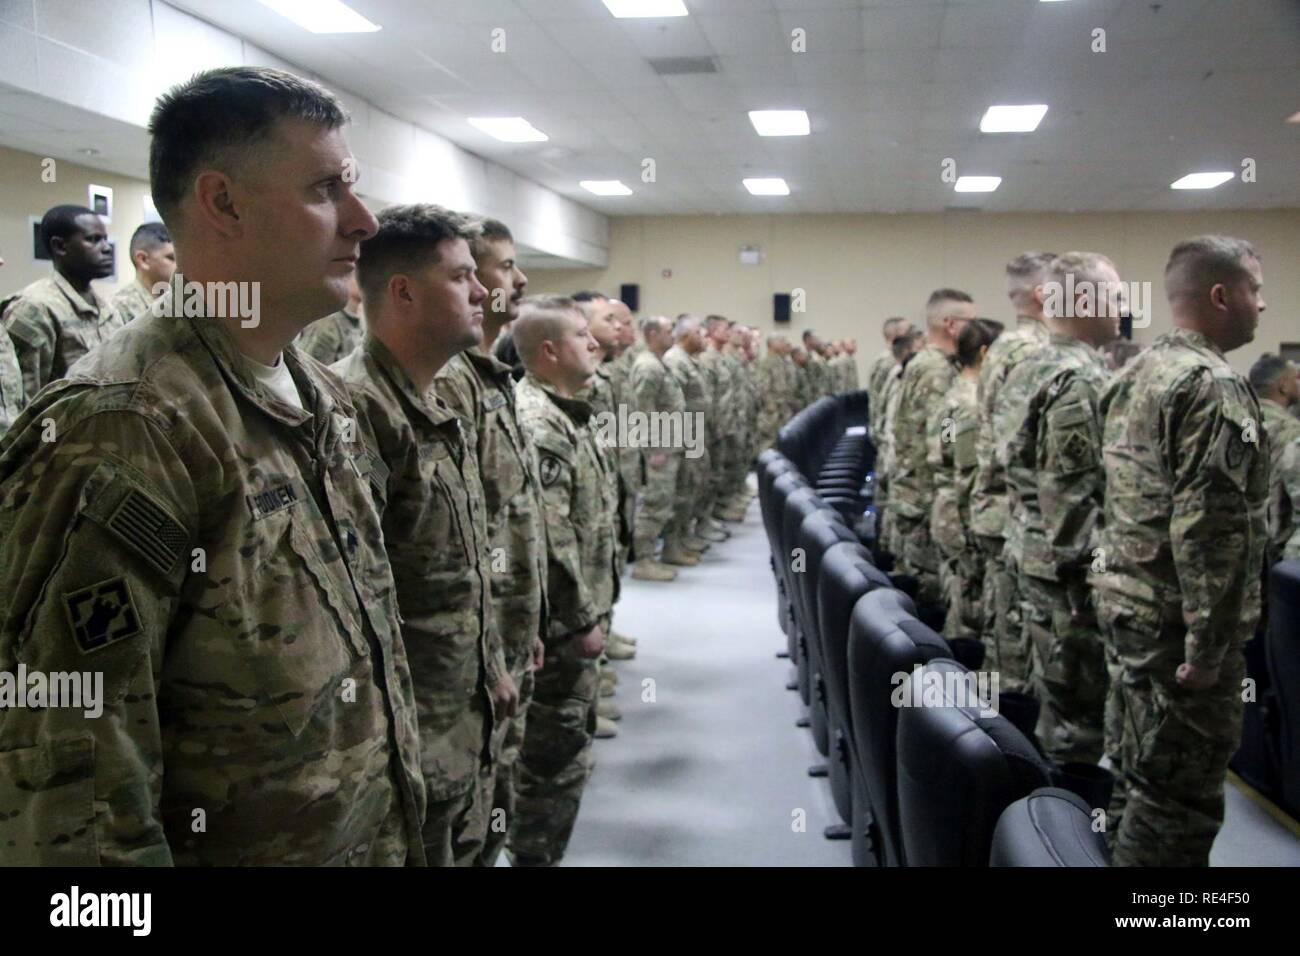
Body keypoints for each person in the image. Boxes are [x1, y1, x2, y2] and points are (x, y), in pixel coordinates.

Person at [0, 66, 426, 865]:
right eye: (327, 190)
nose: (365, 221)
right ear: (223, 203)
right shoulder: (126, 425)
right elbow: (71, 786)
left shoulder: (318, 394)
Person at [335, 203, 514, 866]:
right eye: (462, 277)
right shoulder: (355, 412)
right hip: (404, 742)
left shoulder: (447, 396)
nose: (482, 292)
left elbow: (461, 558)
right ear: (403, 291)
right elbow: (357, 613)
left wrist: (490, 665)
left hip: (461, 713)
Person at [1094, 236, 1268, 866]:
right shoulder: (1214, 386)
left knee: (1138, 778)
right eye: (1255, 289)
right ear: (1221, 296)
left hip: (1129, 607)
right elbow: (1211, 532)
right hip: (1176, 630)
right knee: (1179, 805)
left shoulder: (1137, 370)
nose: (1263, 305)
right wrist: (1207, 649)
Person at [431, 216, 548, 866]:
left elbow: (509, 521)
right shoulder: (444, 387)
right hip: (459, 666)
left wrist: (523, 621)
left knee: (493, 803)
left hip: (500, 641)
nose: (520, 278)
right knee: (461, 821)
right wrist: (488, 653)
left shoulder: (491, 383)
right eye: (505, 265)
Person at [508, 295, 619, 867]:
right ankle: (534, 857)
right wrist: (579, 619)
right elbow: (551, 538)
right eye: (582, 335)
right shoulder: (541, 423)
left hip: (574, 618)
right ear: (549, 351)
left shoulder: (567, 411)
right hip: (557, 629)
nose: (595, 342)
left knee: (562, 751)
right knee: (549, 767)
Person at [1004, 253, 1121, 766]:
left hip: (1031, 553)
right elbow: (1069, 497)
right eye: (1116, 297)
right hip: (1064, 576)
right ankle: (1068, 831)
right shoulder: (1077, 377)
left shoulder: (1031, 364)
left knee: (1052, 702)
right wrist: (1084, 585)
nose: (1122, 308)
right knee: (1078, 724)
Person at [969, 252, 1056, 690]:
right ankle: (1008, 743)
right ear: (1045, 294)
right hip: (1014, 513)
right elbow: (1022, 450)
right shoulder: (1033, 350)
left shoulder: (1007, 345)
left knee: (1005, 631)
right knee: (1017, 650)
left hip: (997, 505)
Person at [890, 289, 974, 609]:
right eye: (970, 320)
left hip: (917, 489)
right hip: (924, 493)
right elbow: (942, 437)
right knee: (928, 599)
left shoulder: (927, 361)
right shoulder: (937, 369)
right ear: (950, 324)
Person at [929, 318, 1002, 642]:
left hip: (947, 507)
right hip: (962, 516)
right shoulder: (972, 405)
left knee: (959, 601)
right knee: (969, 618)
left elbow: (942, 453)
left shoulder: (954, 394)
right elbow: (969, 473)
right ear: (985, 354)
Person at [4, 203, 126, 395]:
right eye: (93, 240)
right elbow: (23, 400)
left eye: (105, 239)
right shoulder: (35, 307)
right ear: (60, 246)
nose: (106, 248)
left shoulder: (108, 309)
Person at [629, 315, 684, 582]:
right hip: (658, 450)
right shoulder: (648, 367)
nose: (673, 334)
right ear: (652, 334)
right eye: (668, 329)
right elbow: (641, 410)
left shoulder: (658, 363)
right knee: (653, 505)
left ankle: (656, 554)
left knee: (664, 503)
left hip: (668, 445)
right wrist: (653, 449)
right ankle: (644, 560)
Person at [1248, 354, 1300, 565]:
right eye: (1296, 378)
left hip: (1236, 549)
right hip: (1276, 555)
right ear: (1283, 387)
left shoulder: (1234, 423)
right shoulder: (1291, 431)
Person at [110, 222, 176, 323]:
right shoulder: (117, 308)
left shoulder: (175, 305)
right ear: (143, 260)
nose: (179, 266)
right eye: (171, 258)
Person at [298, 273, 365, 363]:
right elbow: (308, 366)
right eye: (361, 277)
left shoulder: (358, 323)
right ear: (346, 279)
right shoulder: (328, 322)